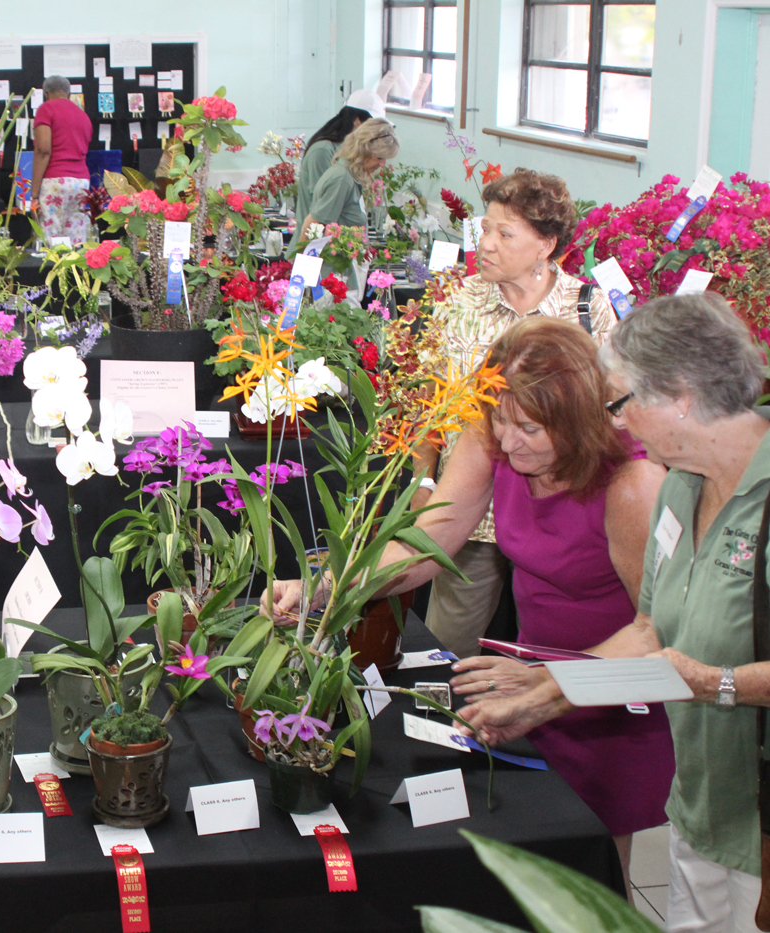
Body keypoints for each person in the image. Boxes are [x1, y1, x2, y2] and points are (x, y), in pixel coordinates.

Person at [274, 316, 674, 895]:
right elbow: (426, 545)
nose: (508, 442)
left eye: (530, 428)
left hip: (609, 693)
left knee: (591, 872)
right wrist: (326, 584)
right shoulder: (494, 435)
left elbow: (655, 630)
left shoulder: (634, 483)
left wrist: (551, 684)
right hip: (520, 678)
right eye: (500, 419)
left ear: (581, 418)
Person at [458, 294, 770, 932]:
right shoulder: (681, 485)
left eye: (622, 401)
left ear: (680, 396)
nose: (618, 422)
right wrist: (544, 693)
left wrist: (715, 683)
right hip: (702, 803)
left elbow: (691, 669)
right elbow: (648, 629)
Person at [422, 168, 618, 658]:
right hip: (468, 514)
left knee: (553, 644)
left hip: (559, 518)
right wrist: (424, 484)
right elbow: (429, 405)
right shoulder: (459, 303)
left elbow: (611, 412)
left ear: (545, 245)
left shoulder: (587, 309)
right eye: (485, 228)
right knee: (445, 645)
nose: (486, 243)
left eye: (504, 234)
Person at [291, 90, 386, 248]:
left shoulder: (347, 151)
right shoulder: (323, 151)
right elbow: (319, 212)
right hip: (315, 248)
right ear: (357, 121)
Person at [298, 117, 398, 233]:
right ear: (362, 150)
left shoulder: (349, 176)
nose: (383, 164)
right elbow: (312, 225)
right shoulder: (341, 179)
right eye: (379, 157)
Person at [30, 75, 93, 242]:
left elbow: (43, 150)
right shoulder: (83, 115)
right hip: (81, 183)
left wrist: (34, 193)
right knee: (76, 237)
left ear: (46, 94)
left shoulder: (46, 109)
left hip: (55, 180)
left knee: (50, 237)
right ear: (68, 93)